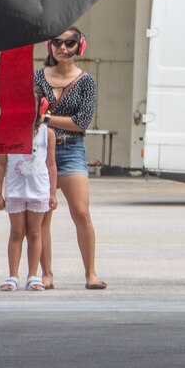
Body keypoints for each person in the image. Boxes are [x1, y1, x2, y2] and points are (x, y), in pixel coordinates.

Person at [37, 27, 107, 289]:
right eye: (57, 42)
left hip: (71, 150)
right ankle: (46, 274)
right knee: (42, 213)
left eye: (70, 43)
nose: (63, 48)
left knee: (81, 212)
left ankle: (90, 274)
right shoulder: (37, 77)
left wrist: (44, 118)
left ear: (80, 47)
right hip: (41, 152)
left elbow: (81, 123)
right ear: (50, 46)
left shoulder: (86, 81)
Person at [0, 96, 57, 291]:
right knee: (17, 232)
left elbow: (51, 164)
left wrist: (52, 192)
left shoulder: (48, 134)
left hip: (39, 190)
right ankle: (13, 275)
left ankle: (33, 275)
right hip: (15, 189)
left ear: (40, 107)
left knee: (35, 232)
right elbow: (0, 164)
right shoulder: (7, 130)